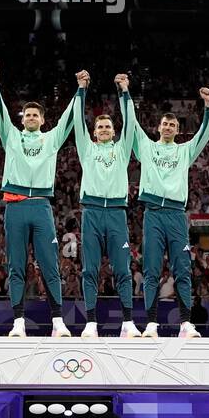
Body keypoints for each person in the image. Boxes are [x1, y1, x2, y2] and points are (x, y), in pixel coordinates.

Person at [121, 77, 209, 338]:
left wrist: (208, 105)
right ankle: (151, 323)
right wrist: (126, 91)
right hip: (152, 213)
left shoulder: (185, 150)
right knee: (151, 270)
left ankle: (185, 323)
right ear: (158, 126)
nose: (168, 127)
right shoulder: (147, 147)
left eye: (173, 124)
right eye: (165, 123)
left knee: (182, 270)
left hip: (175, 215)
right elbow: (131, 122)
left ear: (177, 129)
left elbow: (205, 133)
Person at [0, 65, 77, 338]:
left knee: (50, 266)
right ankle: (18, 322)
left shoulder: (51, 139)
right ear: (22, 119)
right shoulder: (12, 137)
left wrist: (80, 91)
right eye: (26, 114)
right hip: (15, 206)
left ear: (42, 119)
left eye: (34, 115)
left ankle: (57, 322)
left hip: (41, 206)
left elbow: (67, 119)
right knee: (16, 266)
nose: (29, 117)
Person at [71, 70, 139, 338]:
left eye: (108, 127)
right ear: (94, 132)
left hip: (117, 214)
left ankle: (128, 323)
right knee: (90, 269)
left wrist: (125, 92)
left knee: (122, 269)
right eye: (99, 127)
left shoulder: (122, 149)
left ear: (114, 131)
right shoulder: (86, 148)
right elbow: (77, 120)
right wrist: (81, 90)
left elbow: (131, 123)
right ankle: (90, 323)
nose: (104, 130)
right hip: (91, 212)